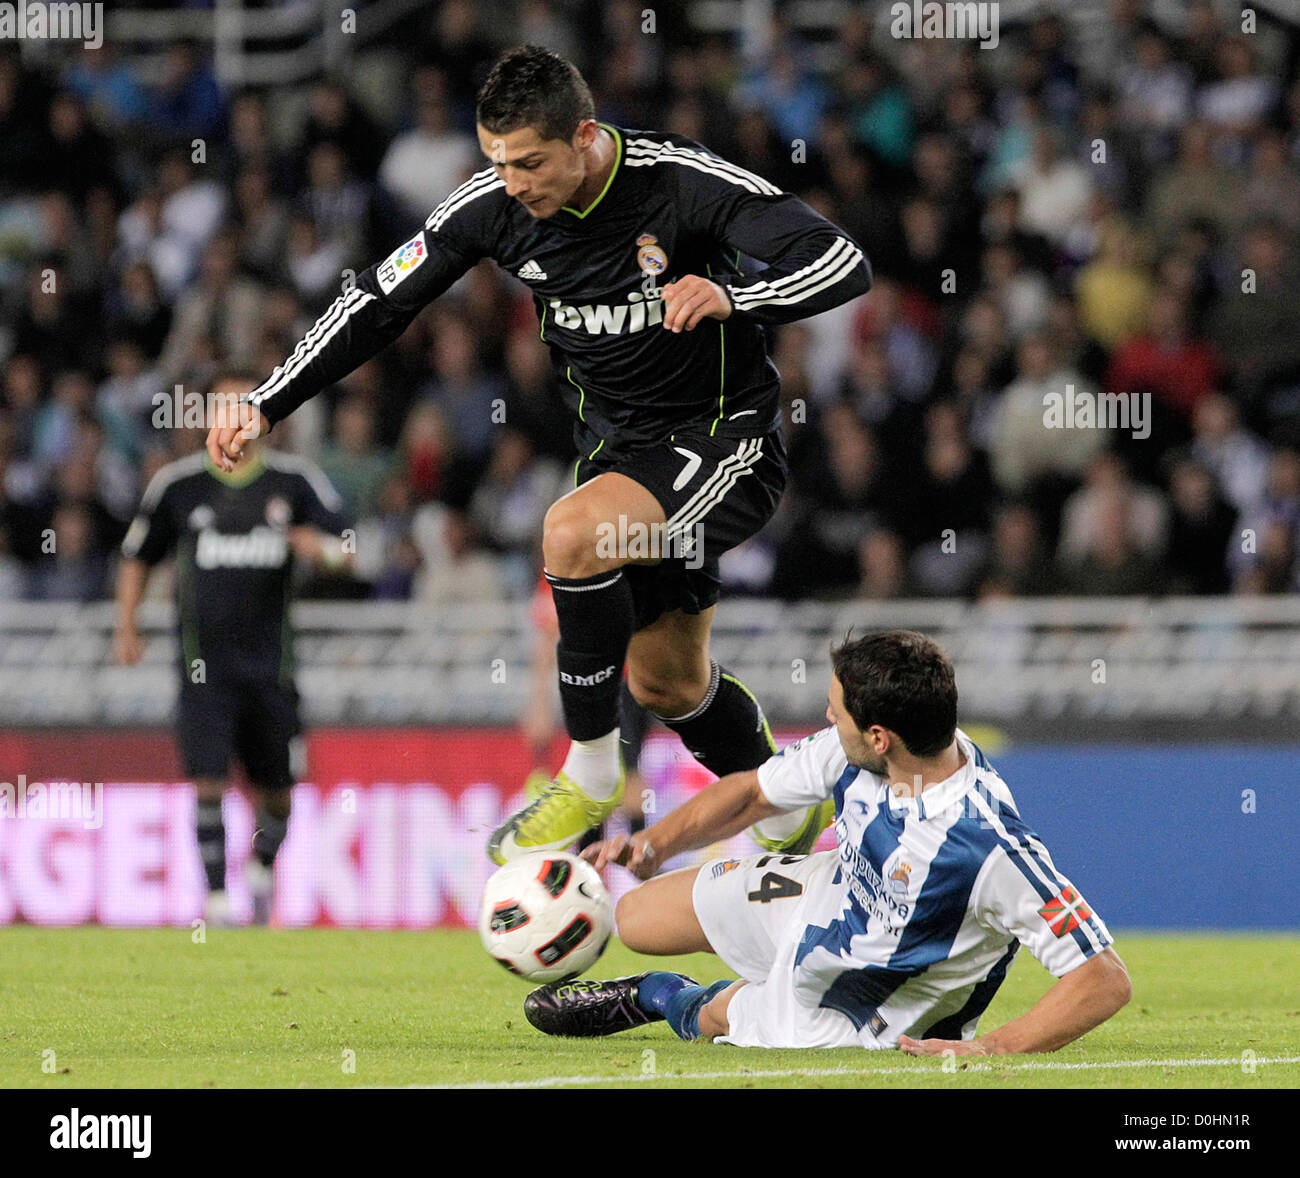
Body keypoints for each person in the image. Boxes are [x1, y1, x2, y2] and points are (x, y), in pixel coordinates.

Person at [205, 45, 868, 864]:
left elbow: (841, 260)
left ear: (585, 135)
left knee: (568, 534)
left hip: (723, 438)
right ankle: (785, 800)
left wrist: (736, 293)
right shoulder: (494, 204)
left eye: (530, 162)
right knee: (664, 680)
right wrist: (268, 400)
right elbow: (377, 300)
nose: (514, 181)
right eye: (497, 161)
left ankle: (589, 770)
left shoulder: (680, 181)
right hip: (621, 458)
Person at [525, 631, 1131, 1053]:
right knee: (635, 918)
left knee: (716, 1017)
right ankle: (736, 981)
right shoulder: (865, 751)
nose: (826, 714)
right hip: (830, 894)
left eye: (837, 712)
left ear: (879, 736)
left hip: (867, 998)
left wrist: (999, 1047)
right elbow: (751, 794)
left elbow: (1104, 977)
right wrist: (654, 843)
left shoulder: (986, 847)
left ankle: (667, 998)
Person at [115, 375, 350, 925]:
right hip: (204, 668)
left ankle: (262, 868)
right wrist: (126, 625)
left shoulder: (295, 482)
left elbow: (356, 549)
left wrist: (324, 551)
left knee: (279, 793)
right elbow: (137, 555)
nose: (234, 414)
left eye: (246, 403)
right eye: (224, 403)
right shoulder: (179, 485)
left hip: (273, 667)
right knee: (207, 779)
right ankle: (218, 901)